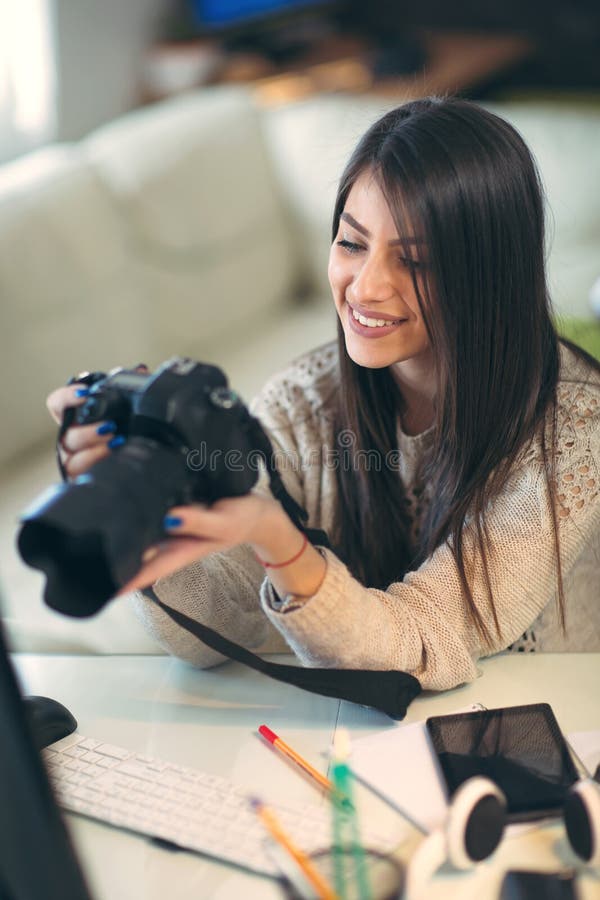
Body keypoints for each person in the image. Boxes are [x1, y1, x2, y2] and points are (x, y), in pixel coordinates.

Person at [47, 97, 600, 691]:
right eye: (352, 244)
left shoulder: (571, 430)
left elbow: (427, 634)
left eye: (414, 261)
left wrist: (277, 539)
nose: (365, 288)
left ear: (490, 274)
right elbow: (215, 632)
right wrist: (144, 499)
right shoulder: (301, 401)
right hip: (371, 736)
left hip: (547, 724)